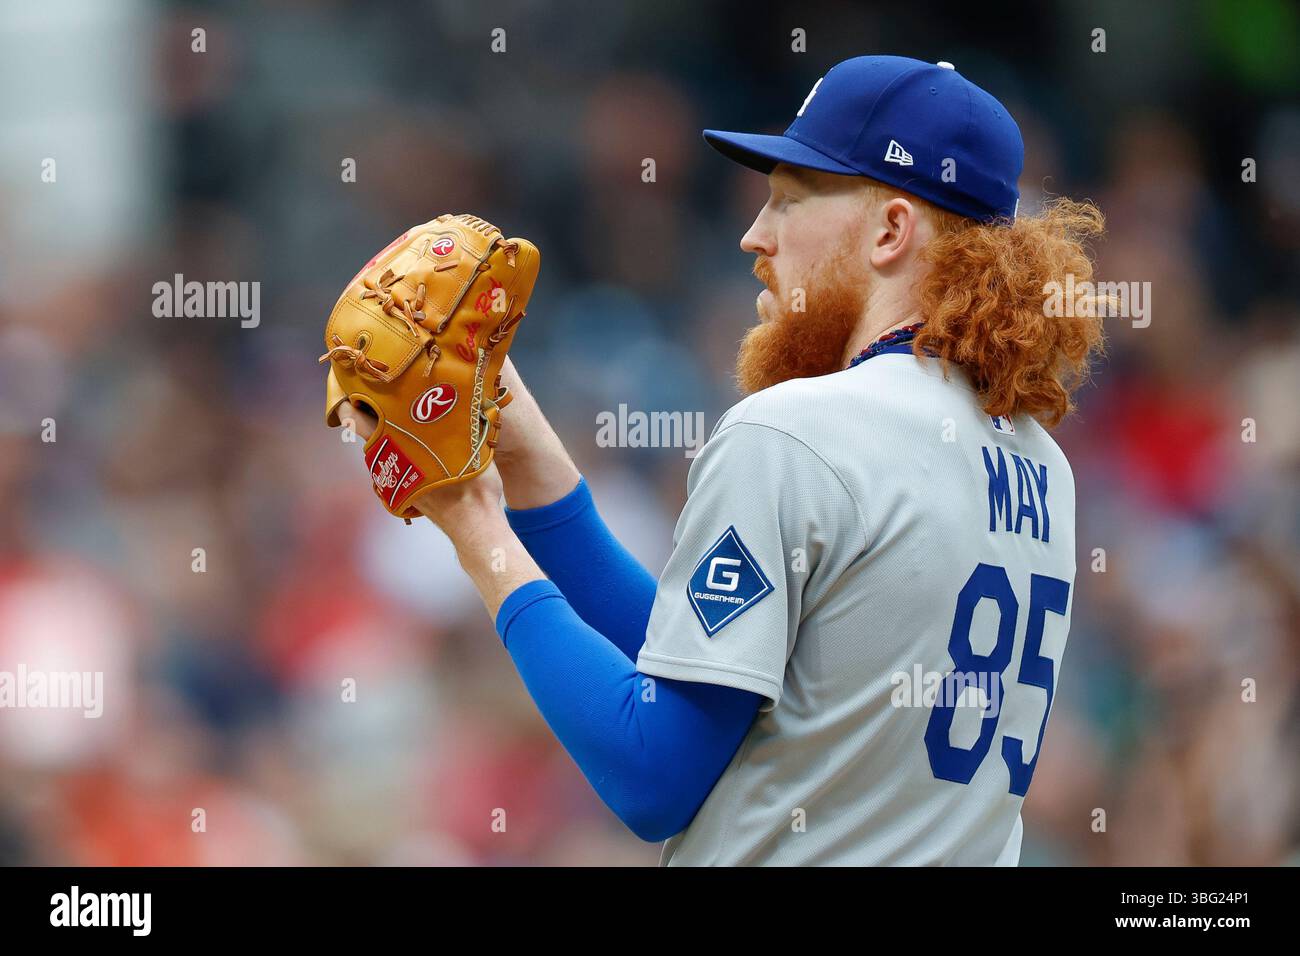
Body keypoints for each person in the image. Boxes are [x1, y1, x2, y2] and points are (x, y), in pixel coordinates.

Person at [341, 54, 1107, 865]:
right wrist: (532, 468)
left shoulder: (798, 430)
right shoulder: (1040, 465)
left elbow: (655, 774)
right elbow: (714, 687)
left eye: (789, 199)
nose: (756, 235)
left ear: (890, 230)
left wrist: (472, 521)